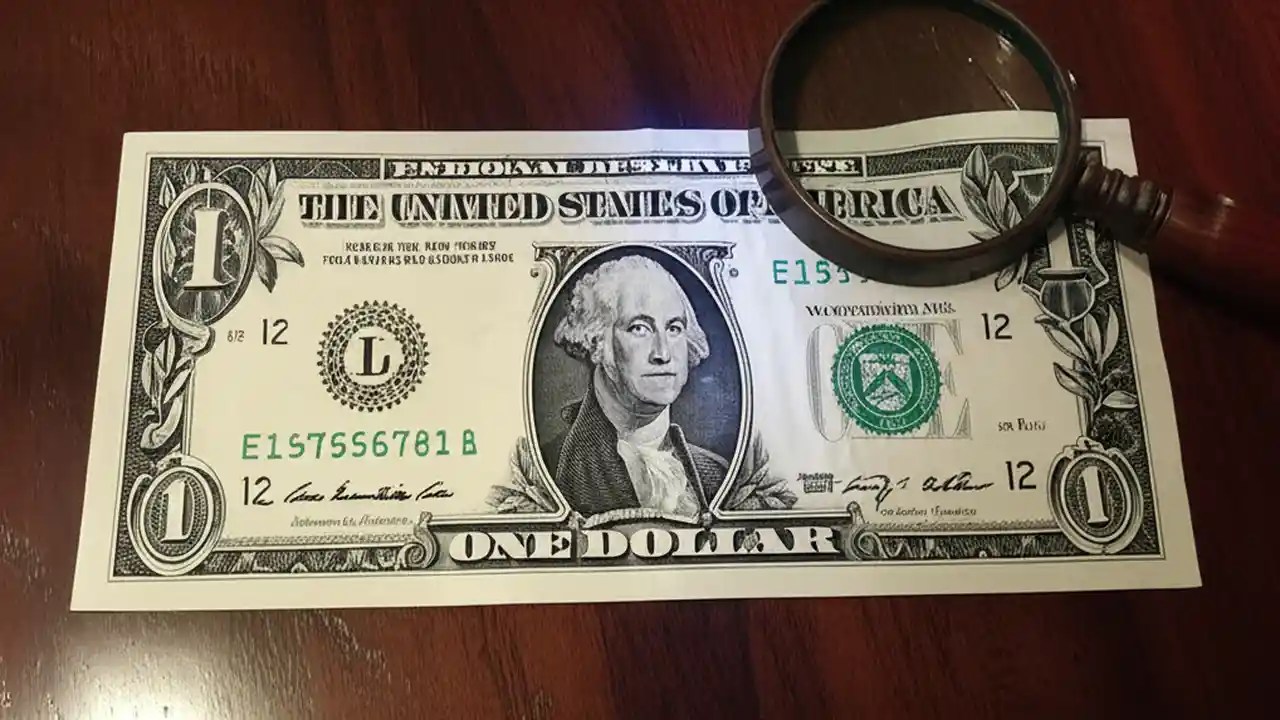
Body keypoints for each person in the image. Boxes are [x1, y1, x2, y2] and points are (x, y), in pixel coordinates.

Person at [541, 254, 728, 518]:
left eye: (674, 328)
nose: (663, 353)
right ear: (597, 339)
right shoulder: (552, 471)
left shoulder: (717, 475)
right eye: (640, 328)